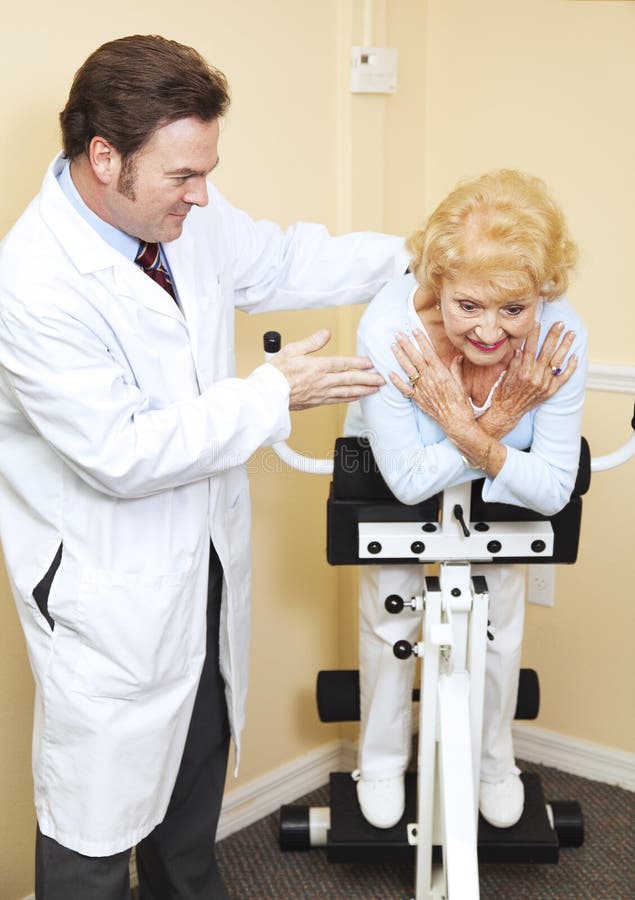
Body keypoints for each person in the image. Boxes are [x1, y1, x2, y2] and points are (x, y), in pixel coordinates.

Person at [0, 35, 408, 899]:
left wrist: (418, 255)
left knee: (190, 820)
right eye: (184, 175)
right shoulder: (33, 282)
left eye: (206, 170)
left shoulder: (183, 218)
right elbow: (122, 453)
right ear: (105, 158)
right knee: (94, 836)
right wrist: (270, 395)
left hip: (205, 565)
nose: (203, 194)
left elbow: (287, 258)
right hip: (107, 592)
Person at [345, 169, 587, 831]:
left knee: (497, 620)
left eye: (512, 309)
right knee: (390, 612)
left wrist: (471, 428)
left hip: (491, 485)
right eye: (467, 307)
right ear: (436, 284)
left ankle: (492, 762)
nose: (487, 332)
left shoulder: (559, 336)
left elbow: (553, 487)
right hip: (390, 471)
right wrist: (498, 434)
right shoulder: (389, 331)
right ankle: (383, 759)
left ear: (541, 293)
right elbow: (407, 481)